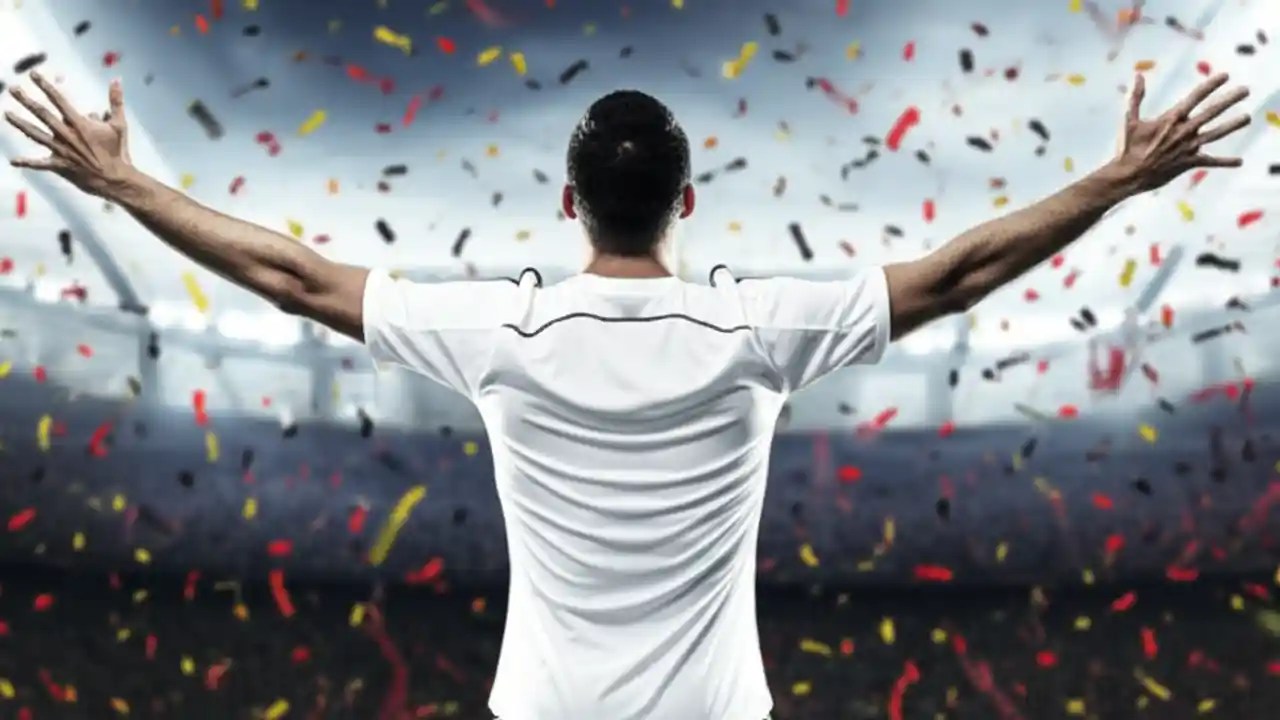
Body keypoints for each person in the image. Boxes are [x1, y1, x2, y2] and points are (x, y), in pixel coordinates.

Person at [5, 71, 1250, 720]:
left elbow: (287, 276)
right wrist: (1120, 179)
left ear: (567, 202)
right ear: (685, 200)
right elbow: (963, 270)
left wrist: (123, 187)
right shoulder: (756, 330)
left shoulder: (501, 331)